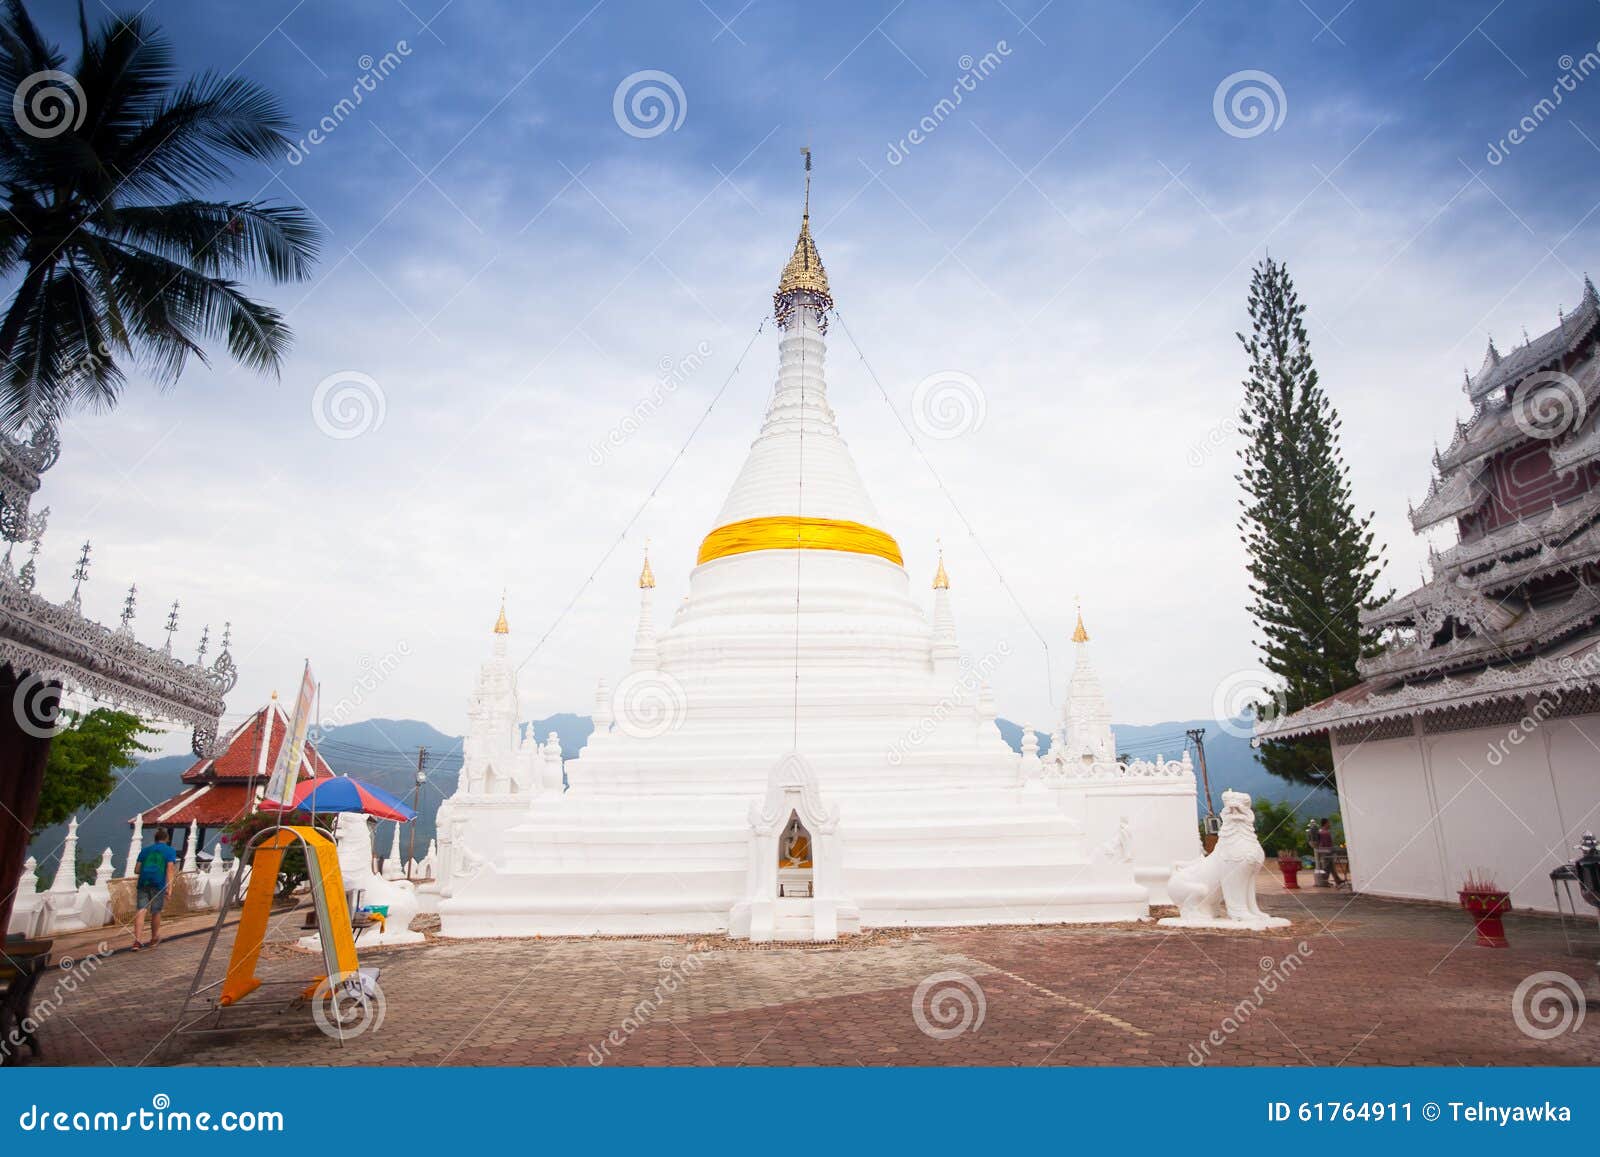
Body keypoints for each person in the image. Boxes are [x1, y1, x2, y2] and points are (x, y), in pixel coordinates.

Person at [132, 826, 178, 949]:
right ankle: (153, 939)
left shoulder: (145, 850)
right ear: (167, 839)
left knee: (141, 910)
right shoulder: (170, 851)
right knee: (156, 912)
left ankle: (137, 941)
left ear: (155, 839)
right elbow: (170, 869)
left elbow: (136, 869)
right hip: (158, 884)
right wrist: (170, 888)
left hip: (143, 883)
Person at [1315, 818, 1345, 888]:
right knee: (1326, 867)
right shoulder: (1325, 833)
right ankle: (1324, 881)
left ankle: (1337, 880)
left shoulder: (1320, 832)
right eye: (1329, 823)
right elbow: (1327, 844)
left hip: (1323, 851)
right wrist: (1333, 850)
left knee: (1331, 866)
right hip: (1327, 851)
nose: (1329, 824)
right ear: (1325, 823)